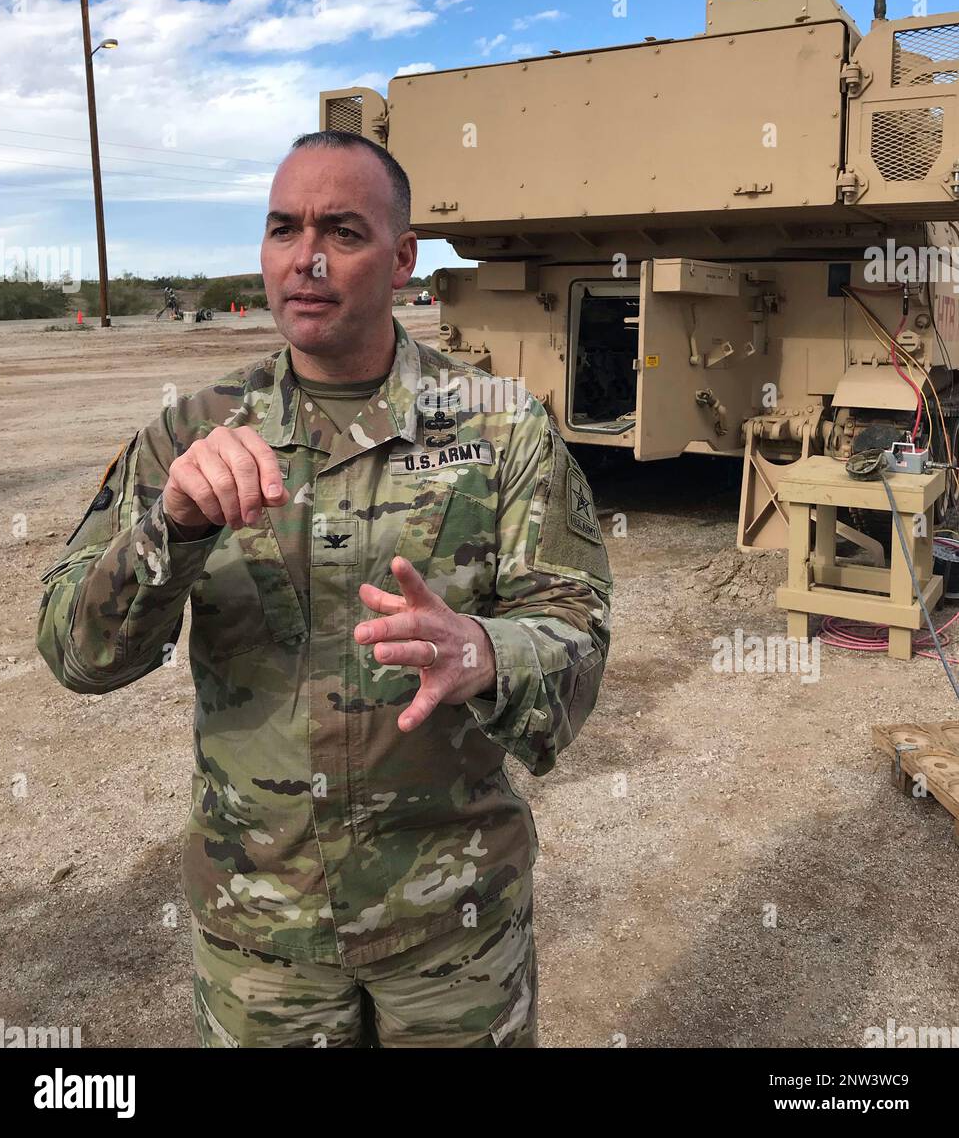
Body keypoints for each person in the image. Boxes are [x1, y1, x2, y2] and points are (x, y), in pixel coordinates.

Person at [37, 130, 613, 1048]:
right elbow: (76, 651)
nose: (304, 259)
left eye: (341, 231)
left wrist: (484, 652)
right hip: (259, 933)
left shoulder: (506, 432)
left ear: (401, 259)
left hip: (450, 925)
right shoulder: (189, 434)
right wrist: (172, 530)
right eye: (282, 230)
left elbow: (578, 637)